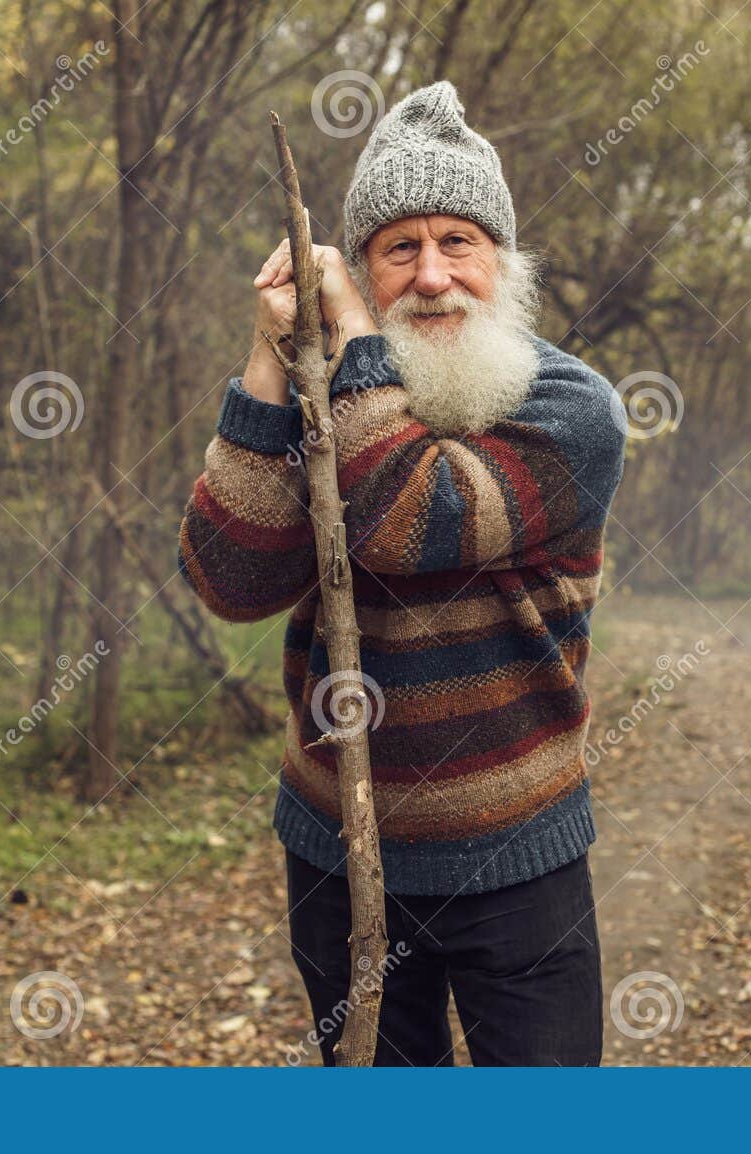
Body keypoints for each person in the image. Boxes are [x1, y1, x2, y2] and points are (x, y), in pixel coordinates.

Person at [178, 80, 627, 1065]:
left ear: (501, 262)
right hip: (337, 851)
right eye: (398, 247)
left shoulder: (572, 410)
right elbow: (230, 580)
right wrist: (269, 363)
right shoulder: (326, 400)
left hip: (519, 854)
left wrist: (345, 360)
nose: (432, 276)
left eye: (457, 242)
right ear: (364, 274)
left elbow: (410, 518)